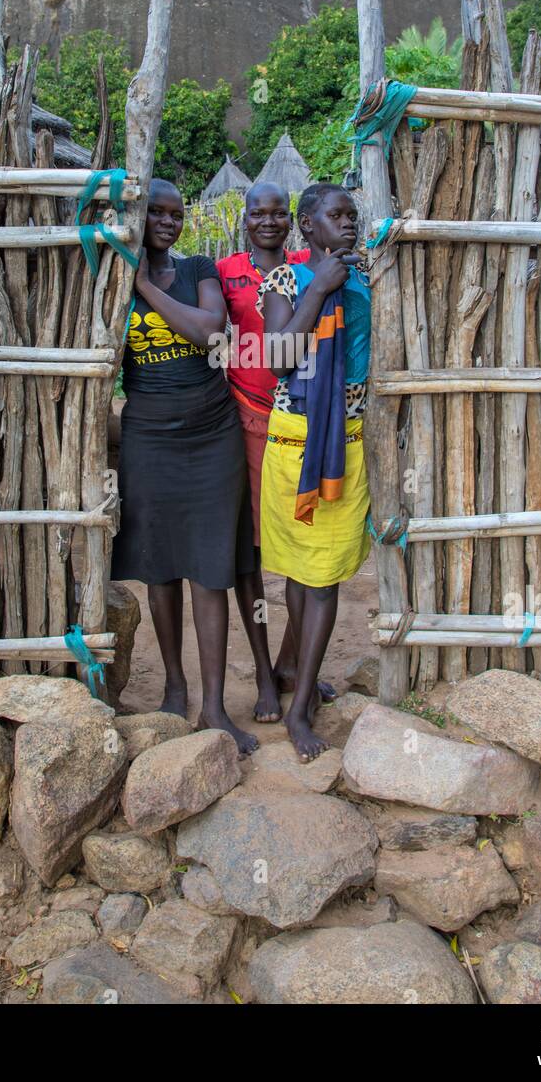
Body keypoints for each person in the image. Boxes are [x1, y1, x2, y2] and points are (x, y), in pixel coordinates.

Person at [111, 178, 258, 754]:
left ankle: (215, 707)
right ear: (137, 217)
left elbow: (209, 333)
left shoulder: (199, 269)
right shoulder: (110, 284)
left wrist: (146, 284)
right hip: (148, 434)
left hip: (211, 432)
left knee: (210, 565)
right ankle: (175, 689)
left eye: (175, 214)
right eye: (157, 213)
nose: (169, 222)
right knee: (160, 567)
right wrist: (133, 282)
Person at [258, 183, 372, 761]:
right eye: (336, 215)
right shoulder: (284, 281)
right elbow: (277, 357)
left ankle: (297, 686)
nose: (348, 224)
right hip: (293, 440)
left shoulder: (371, 278)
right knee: (304, 575)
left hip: (345, 444)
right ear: (308, 227)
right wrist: (321, 287)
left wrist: (341, 283)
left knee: (322, 574)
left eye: (352, 215)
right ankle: (299, 701)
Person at [215, 181, 315, 723]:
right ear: (246, 218)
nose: (269, 221)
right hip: (246, 415)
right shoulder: (224, 271)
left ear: (292, 220)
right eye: (260, 213)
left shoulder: (307, 264)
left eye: (280, 213)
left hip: (302, 419)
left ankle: (293, 660)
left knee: (308, 541)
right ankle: (261, 669)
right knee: (250, 552)